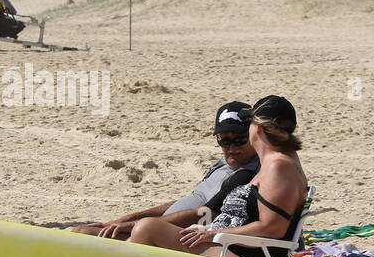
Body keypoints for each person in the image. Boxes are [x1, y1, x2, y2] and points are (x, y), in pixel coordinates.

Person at [126, 95, 308, 257]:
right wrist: (211, 230)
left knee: (148, 228)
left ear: (258, 129)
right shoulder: (279, 162)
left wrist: (213, 234)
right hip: (232, 247)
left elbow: (272, 228)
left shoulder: (279, 167)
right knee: (145, 232)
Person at [72, 102, 259, 238]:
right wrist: (129, 219)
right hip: (161, 229)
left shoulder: (246, 174)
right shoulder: (225, 163)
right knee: (82, 232)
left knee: (83, 234)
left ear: (253, 136)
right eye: (224, 140)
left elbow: (205, 214)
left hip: (175, 239)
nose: (232, 147)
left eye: (239, 140)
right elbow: (193, 198)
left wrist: (134, 226)